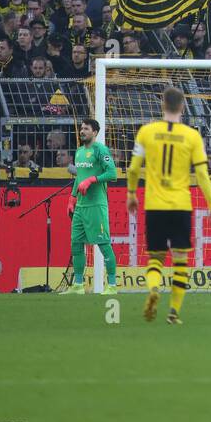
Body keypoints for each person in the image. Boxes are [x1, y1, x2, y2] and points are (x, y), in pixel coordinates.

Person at [126, 85, 211, 325]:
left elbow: (134, 168)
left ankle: (154, 288)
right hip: (181, 205)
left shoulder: (147, 131)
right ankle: (173, 312)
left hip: (155, 205)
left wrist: (131, 194)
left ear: (162, 105)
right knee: (180, 261)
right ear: (183, 106)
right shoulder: (192, 136)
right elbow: (202, 175)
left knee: (155, 258)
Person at [64, 118, 119, 295]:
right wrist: (72, 198)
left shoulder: (100, 150)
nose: (82, 131)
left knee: (103, 244)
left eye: (86, 129)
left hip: (96, 205)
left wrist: (92, 179)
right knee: (76, 244)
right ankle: (78, 285)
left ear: (94, 132)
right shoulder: (79, 152)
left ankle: (111, 286)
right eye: (81, 128)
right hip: (81, 206)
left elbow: (112, 174)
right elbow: (80, 177)